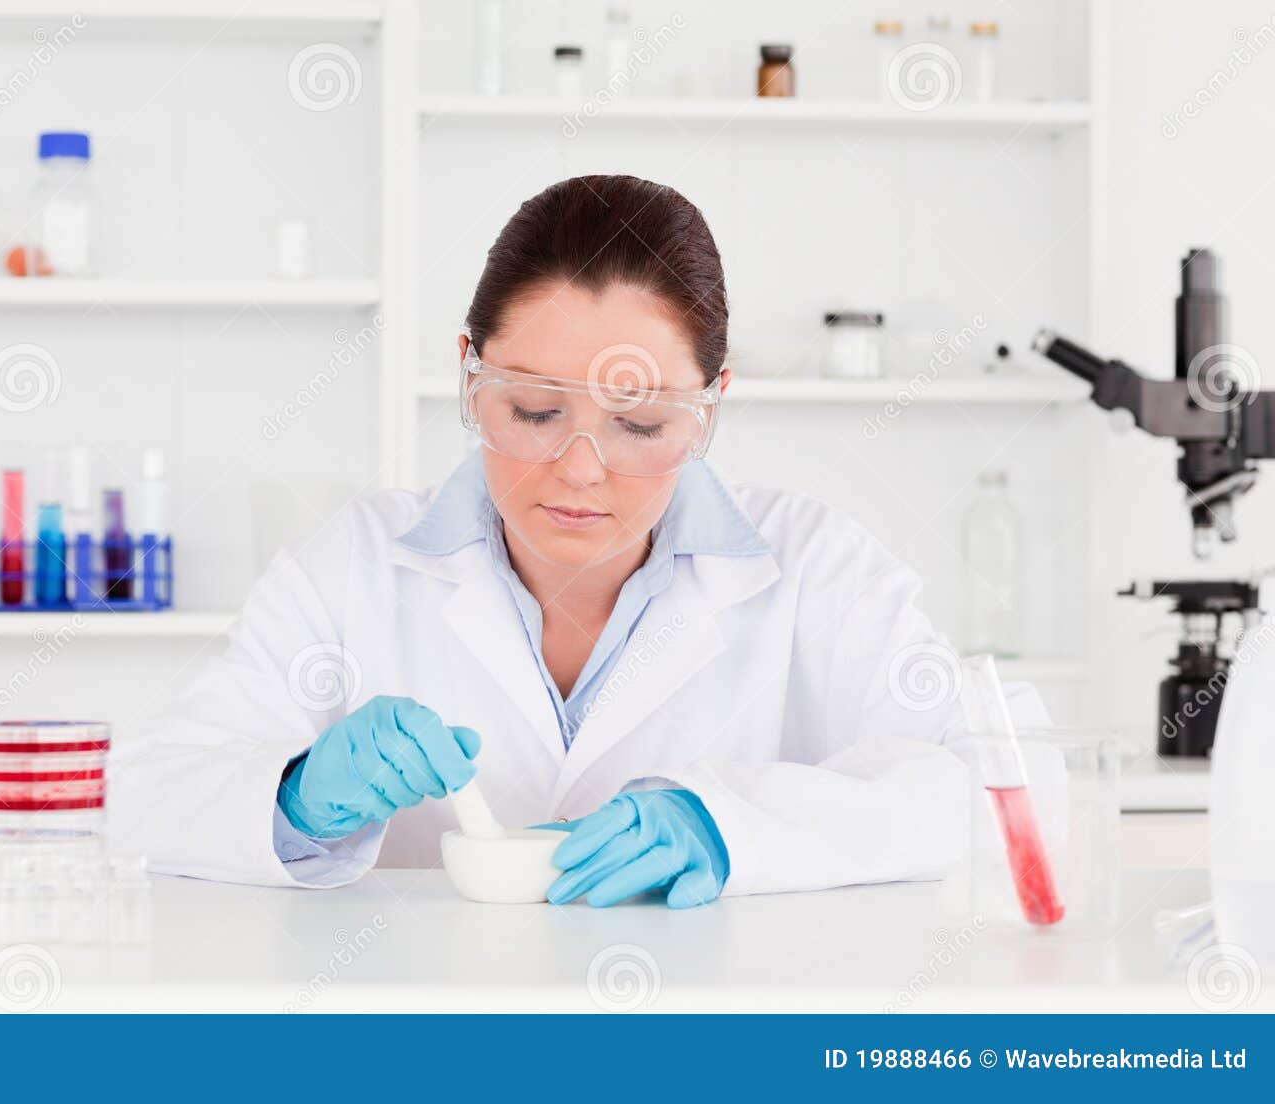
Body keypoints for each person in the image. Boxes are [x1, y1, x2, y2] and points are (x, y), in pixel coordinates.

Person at [110, 174, 1048, 908]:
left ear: (714, 402)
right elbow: (148, 801)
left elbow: (998, 788)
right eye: (534, 409)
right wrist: (295, 800)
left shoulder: (818, 569)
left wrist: (734, 828)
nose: (581, 468)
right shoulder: (350, 566)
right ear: (468, 375)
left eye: (640, 424)